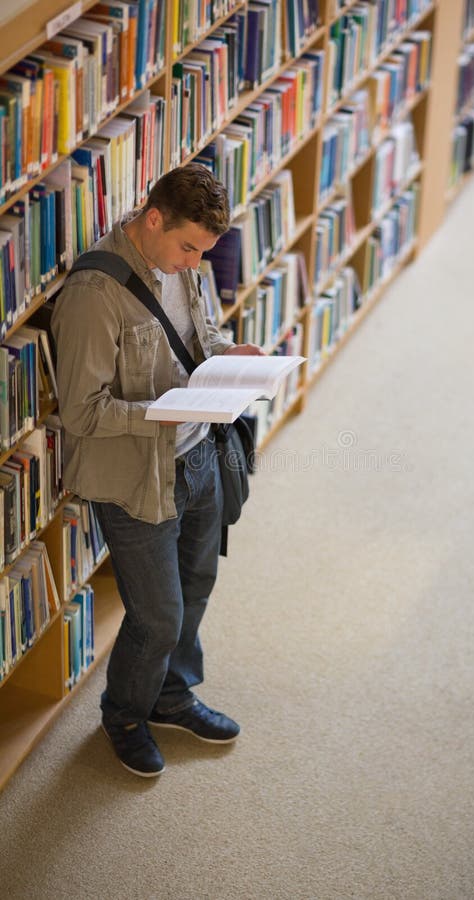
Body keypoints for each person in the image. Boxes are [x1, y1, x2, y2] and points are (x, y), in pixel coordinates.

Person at [52, 164, 263, 777]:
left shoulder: (184, 269)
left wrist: (232, 359)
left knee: (197, 586)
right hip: (137, 480)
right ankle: (123, 714)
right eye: (188, 247)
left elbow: (200, 342)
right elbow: (82, 413)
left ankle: (171, 696)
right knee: (158, 614)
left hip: (200, 454)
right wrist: (166, 415)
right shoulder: (95, 295)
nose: (195, 263)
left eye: (204, 252)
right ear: (153, 220)